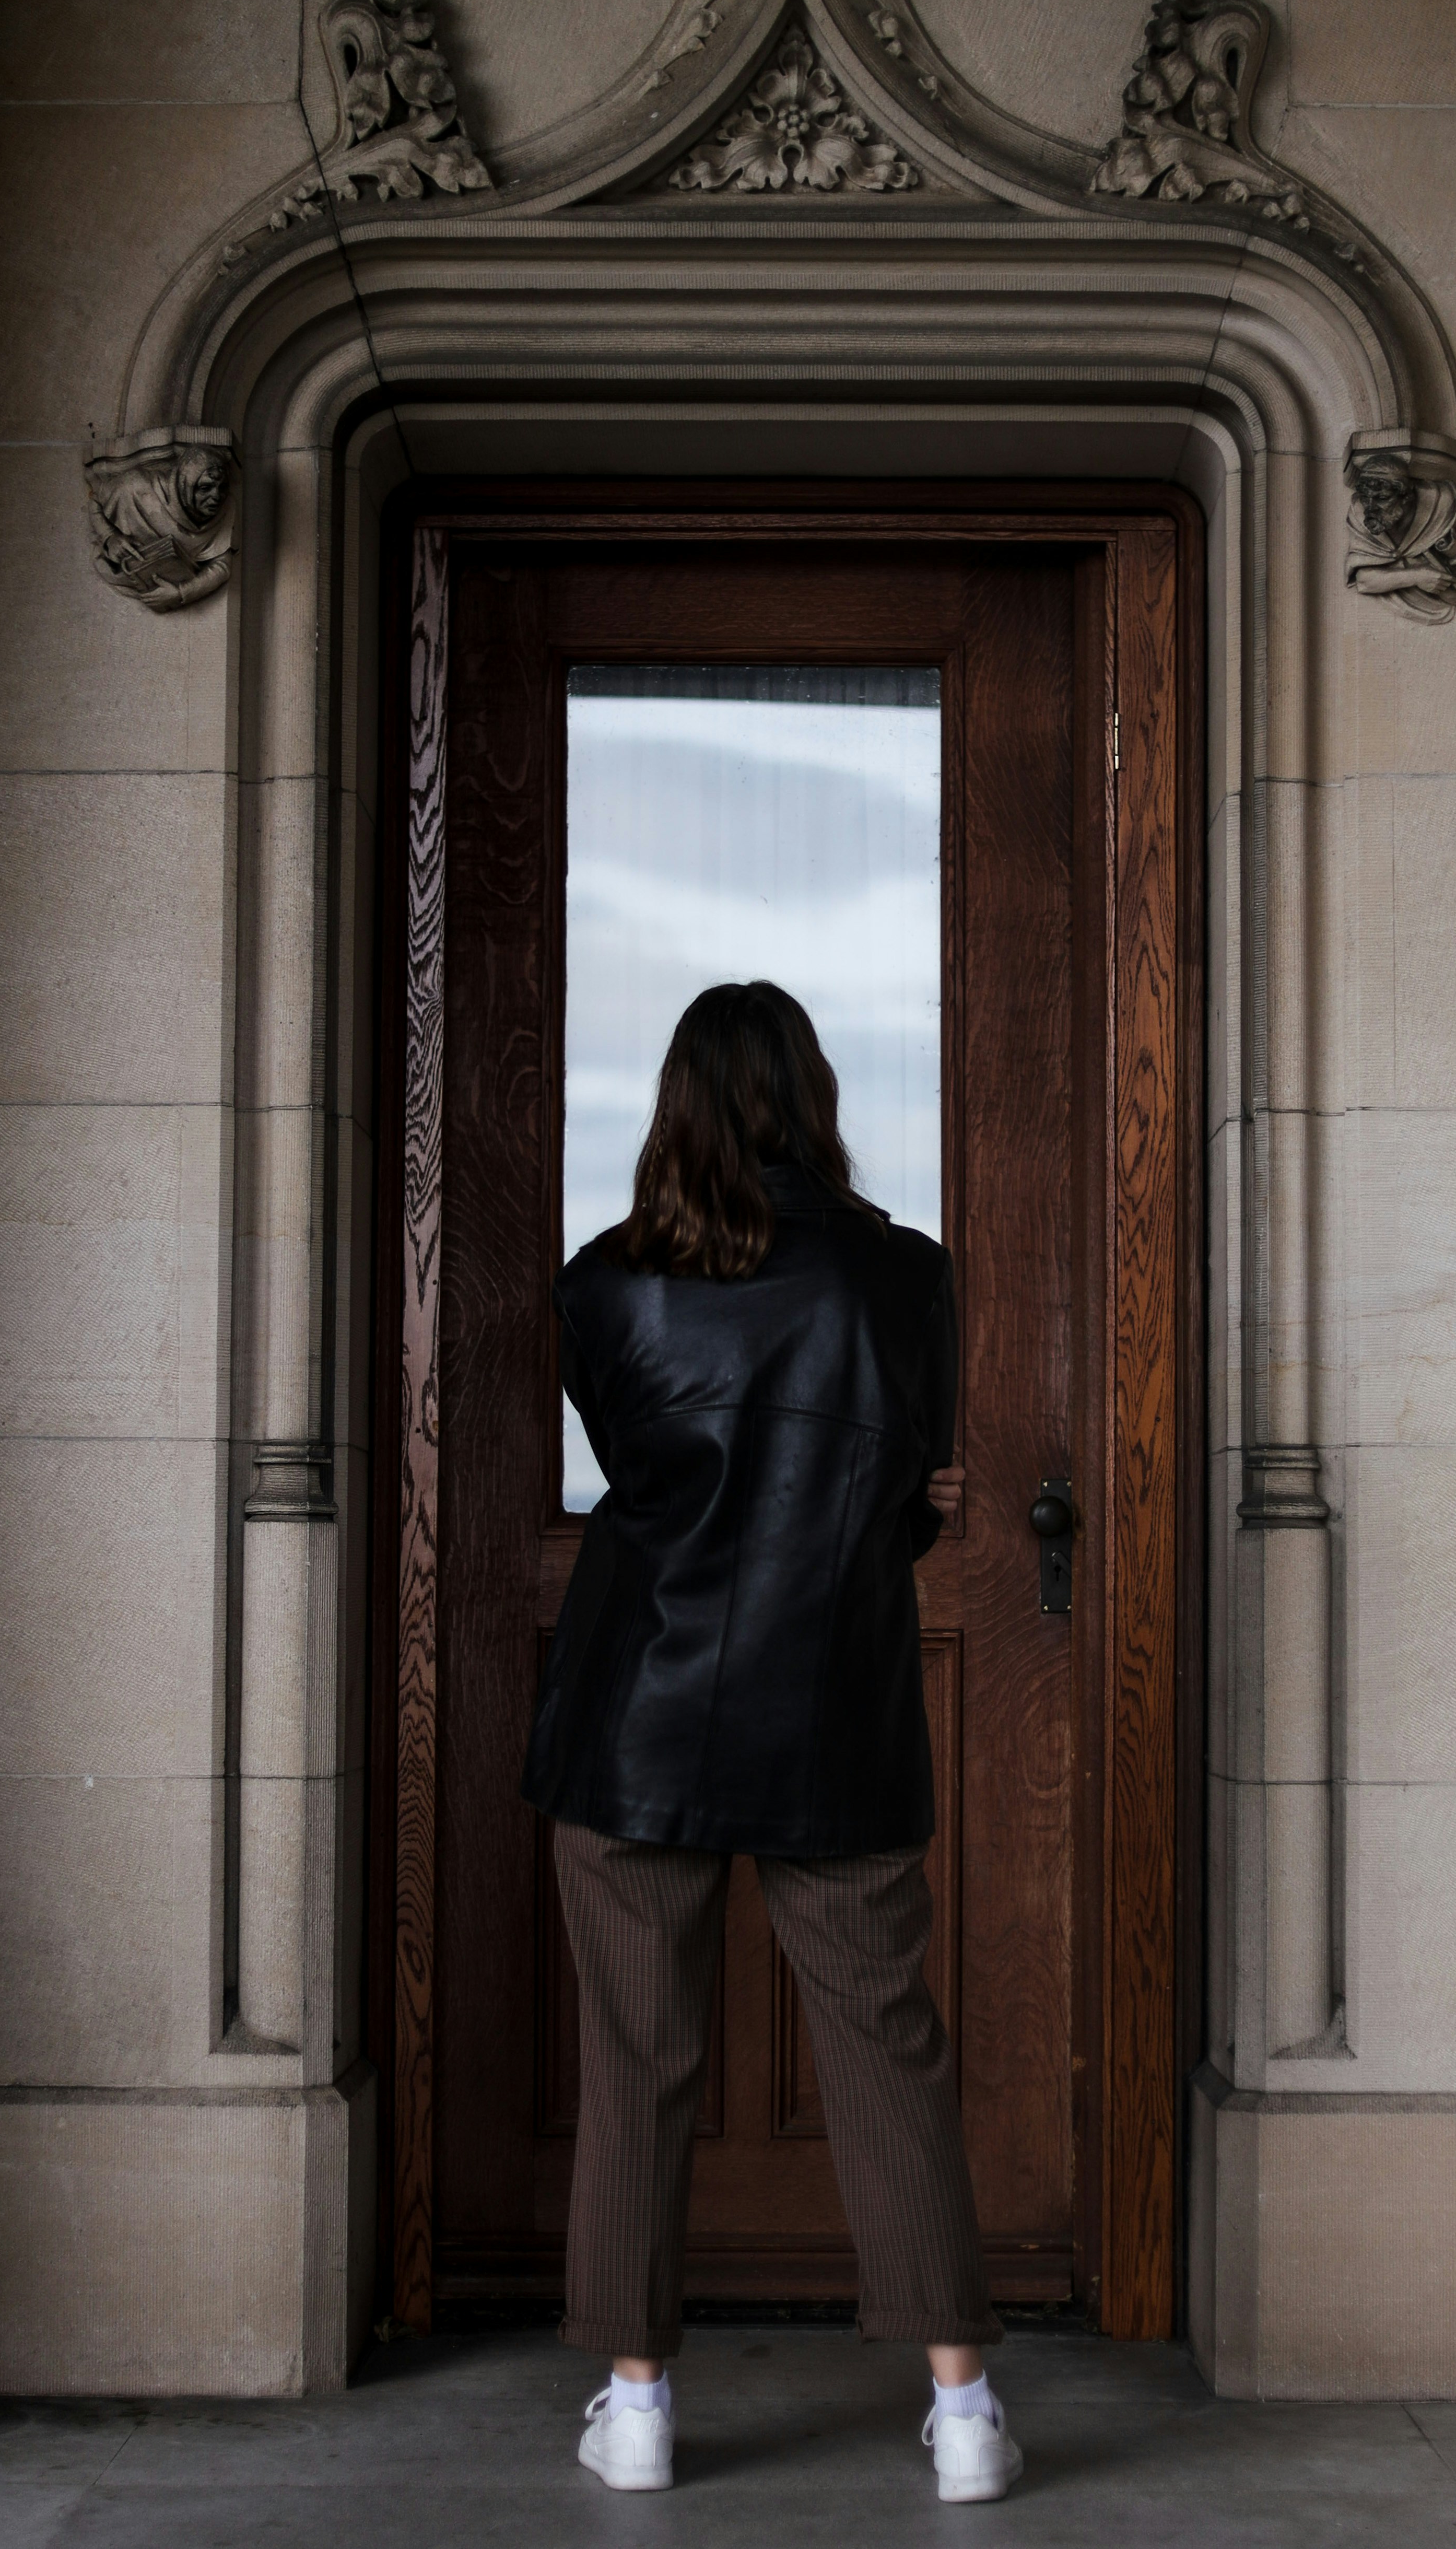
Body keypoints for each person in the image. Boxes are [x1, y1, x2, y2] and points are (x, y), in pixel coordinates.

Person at [523, 979, 1023, 2506]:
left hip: (636, 1716)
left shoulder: (603, 1287)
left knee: (638, 2060)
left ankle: (642, 2400)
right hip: (835, 1707)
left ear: (676, 1103)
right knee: (890, 2053)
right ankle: (971, 2413)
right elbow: (903, 1499)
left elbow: (648, 1481)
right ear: (813, 1096)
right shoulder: (910, 1281)